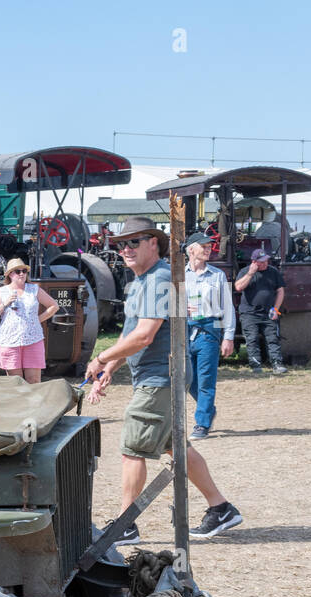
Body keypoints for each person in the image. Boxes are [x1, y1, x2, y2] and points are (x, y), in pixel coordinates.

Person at [84, 215, 242, 543]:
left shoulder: (159, 279)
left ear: (153, 243)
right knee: (178, 448)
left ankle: (126, 525)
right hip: (158, 375)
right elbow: (132, 333)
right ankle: (221, 509)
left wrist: (101, 357)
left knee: (133, 446)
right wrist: (109, 370)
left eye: (134, 242)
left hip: (160, 377)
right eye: (121, 244)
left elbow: (145, 336)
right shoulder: (142, 280)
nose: (125, 249)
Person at [182, 234, 236, 440]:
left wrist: (228, 336)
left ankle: (202, 424)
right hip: (184, 330)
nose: (208, 249)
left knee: (206, 379)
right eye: (203, 246)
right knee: (187, 380)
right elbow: (168, 304)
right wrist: (178, 308)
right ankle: (208, 409)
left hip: (209, 329)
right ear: (190, 250)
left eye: (209, 246)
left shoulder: (217, 276)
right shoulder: (177, 275)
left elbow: (228, 308)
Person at [0, 258, 58, 384]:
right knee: (16, 383)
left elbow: (54, 306)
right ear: (10, 274)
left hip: (33, 340)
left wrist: (38, 319)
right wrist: (5, 303)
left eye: (24, 271)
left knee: (34, 381)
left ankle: (35, 404)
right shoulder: (2, 292)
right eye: (17, 271)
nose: (22, 274)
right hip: (10, 342)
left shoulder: (34, 289)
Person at [233, 249, 287, 373]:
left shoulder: (273, 272)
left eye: (266, 261)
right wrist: (251, 274)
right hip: (249, 313)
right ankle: (256, 366)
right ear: (254, 262)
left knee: (273, 338)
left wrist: (276, 309)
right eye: (262, 262)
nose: (265, 263)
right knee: (252, 339)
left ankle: (277, 364)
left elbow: (280, 291)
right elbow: (238, 287)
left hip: (269, 312)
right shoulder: (245, 271)